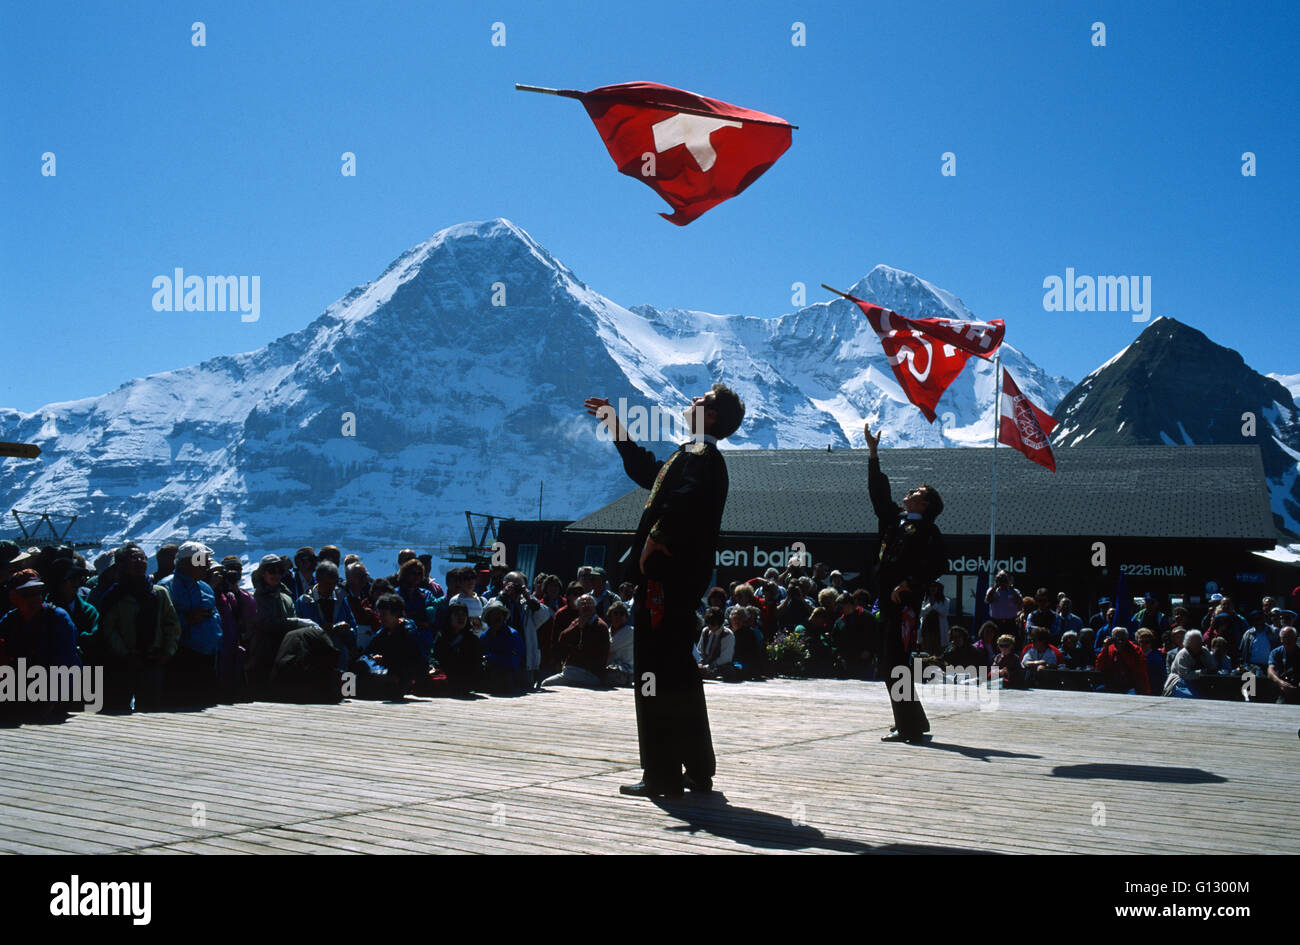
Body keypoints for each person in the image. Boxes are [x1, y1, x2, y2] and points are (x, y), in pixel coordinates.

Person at [587, 383, 742, 798]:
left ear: (711, 416)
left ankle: (661, 773)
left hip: (664, 576)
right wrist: (616, 427)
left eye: (701, 400)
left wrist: (656, 539)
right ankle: (697, 767)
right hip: (677, 577)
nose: (692, 400)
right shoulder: (692, 454)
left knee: (654, 670)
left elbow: (684, 502)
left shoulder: (698, 456)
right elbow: (646, 472)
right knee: (678, 670)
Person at [864, 422, 945, 743]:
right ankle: (913, 720)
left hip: (904, 605)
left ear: (925, 505)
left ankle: (909, 725)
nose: (909, 493)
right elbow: (879, 495)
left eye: (917, 493)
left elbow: (936, 566)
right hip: (885, 600)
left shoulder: (928, 532)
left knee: (895, 663)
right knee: (889, 662)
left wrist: (909, 584)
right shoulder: (896, 519)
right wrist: (873, 454)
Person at [96, 545, 181, 711]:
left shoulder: (159, 593)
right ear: (121, 564)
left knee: (151, 712)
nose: (140, 562)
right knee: (118, 707)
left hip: (153, 661)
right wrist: (126, 654)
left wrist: (167, 651)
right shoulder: (113, 596)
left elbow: (171, 625)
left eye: (142, 558)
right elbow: (108, 629)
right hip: (122, 665)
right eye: (134, 558)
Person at [0, 569, 84, 721]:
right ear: (14, 597)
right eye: (28, 593)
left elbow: (66, 663)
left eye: (38, 591)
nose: (35, 597)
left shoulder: (58, 618)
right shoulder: (10, 620)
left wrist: (51, 701)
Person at [167, 541, 222, 704]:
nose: (205, 566)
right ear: (186, 563)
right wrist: (186, 620)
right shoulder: (168, 586)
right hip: (183, 653)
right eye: (200, 561)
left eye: (206, 561)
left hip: (209, 653)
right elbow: (162, 620)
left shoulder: (205, 587)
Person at [543, 594, 610, 688]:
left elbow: (590, 650)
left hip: (589, 673)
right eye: (582, 604)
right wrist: (578, 627)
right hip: (571, 671)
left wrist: (584, 628)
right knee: (546, 683)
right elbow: (562, 638)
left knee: (547, 684)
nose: (586, 606)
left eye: (589, 604)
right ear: (578, 608)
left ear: (594, 607)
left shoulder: (600, 626)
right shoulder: (576, 622)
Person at [432, 601, 484, 696]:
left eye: (464, 615)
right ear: (449, 617)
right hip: (445, 677)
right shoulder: (441, 637)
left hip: (464, 681)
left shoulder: (473, 640)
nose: (461, 618)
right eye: (457, 614)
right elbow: (434, 657)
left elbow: (475, 664)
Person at [479, 599, 526, 693]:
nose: (497, 618)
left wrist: (488, 657)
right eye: (494, 615)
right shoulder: (484, 636)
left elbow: (511, 662)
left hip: (510, 678)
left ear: (504, 617)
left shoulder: (512, 635)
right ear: (488, 618)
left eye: (499, 614)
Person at [1163, 629, 1217, 698]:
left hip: (1202, 680)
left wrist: (1212, 670)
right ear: (1189, 644)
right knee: (1191, 696)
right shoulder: (1183, 654)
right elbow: (1185, 675)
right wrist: (1203, 672)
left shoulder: (1204, 651)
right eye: (1196, 643)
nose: (1199, 645)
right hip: (1181, 681)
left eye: (1200, 642)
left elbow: (1212, 667)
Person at [696, 606, 735, 679]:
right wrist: (700, 663)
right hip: (704, 665)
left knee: (728, 670)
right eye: (708, 623)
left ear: (719, 623)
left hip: (718, 666)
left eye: (712, 624)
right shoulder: (705, 631)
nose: (710, 626)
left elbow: (725, 658)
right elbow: (699, 651)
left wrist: (709, 666)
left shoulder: (727, 634)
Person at [985, 570, 1021, 643]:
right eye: (1000, 578)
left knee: (1011, 643)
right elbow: (988, 600)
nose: (1002, 580)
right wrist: (995, 586)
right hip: (995, 622)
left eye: (1004, 578)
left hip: (1010, 623)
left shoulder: (1015, 591)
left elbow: (1019, 602)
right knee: (995, 643)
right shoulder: (992, 591)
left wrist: (1009, 586)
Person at [605, 600, 635, 686]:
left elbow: (609, 647)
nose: (618, 616)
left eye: (622, 614)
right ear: (610, 615)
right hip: (608, 668)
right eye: (615, 613)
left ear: (626, 617)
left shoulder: (630, 632)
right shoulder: (607, 631)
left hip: (625, 671)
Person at [1267, 626, 1299, 705]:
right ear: (1281, 639)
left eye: (1290, 637)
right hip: (1283, 688)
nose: (1287, 640)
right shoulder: (1276, 652)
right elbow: (1270, 670)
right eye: (1285, 638)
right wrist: (1280, 682)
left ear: (1295, 639)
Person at [919, 581, 949, 654]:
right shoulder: (924, 600)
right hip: (926, 630)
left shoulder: (945, 600)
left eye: (935, 586)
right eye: (931, 586)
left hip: (938, 631)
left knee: (939, 652)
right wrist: (930, 605)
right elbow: (921, 613)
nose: (933, 588)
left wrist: (934, 604)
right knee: (927, 651)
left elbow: (944, 613)